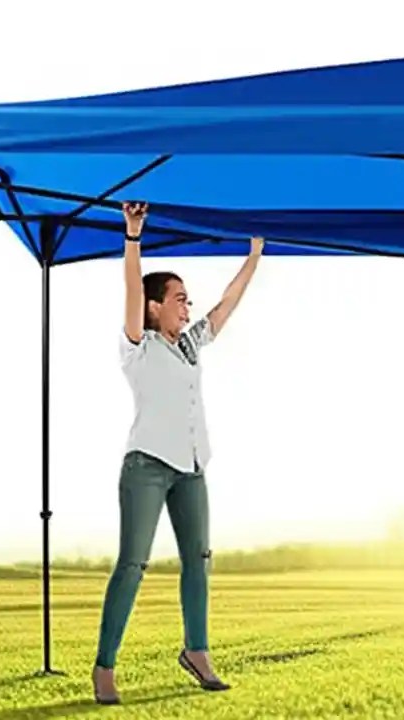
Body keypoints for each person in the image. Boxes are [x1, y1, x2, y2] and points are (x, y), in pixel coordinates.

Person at [91, 201, 265, 704]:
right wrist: (133, 236)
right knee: (133, 564)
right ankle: (105, 666)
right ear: (155, 307)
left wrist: (253, 255)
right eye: (180, 300)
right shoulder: (137, 345)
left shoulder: (188, 346)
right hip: (146, 465)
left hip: (191, 467)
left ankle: (198, 652)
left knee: (199, 560)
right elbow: (130, 288)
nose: (188, 308)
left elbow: (226, 306)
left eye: (188, 302)